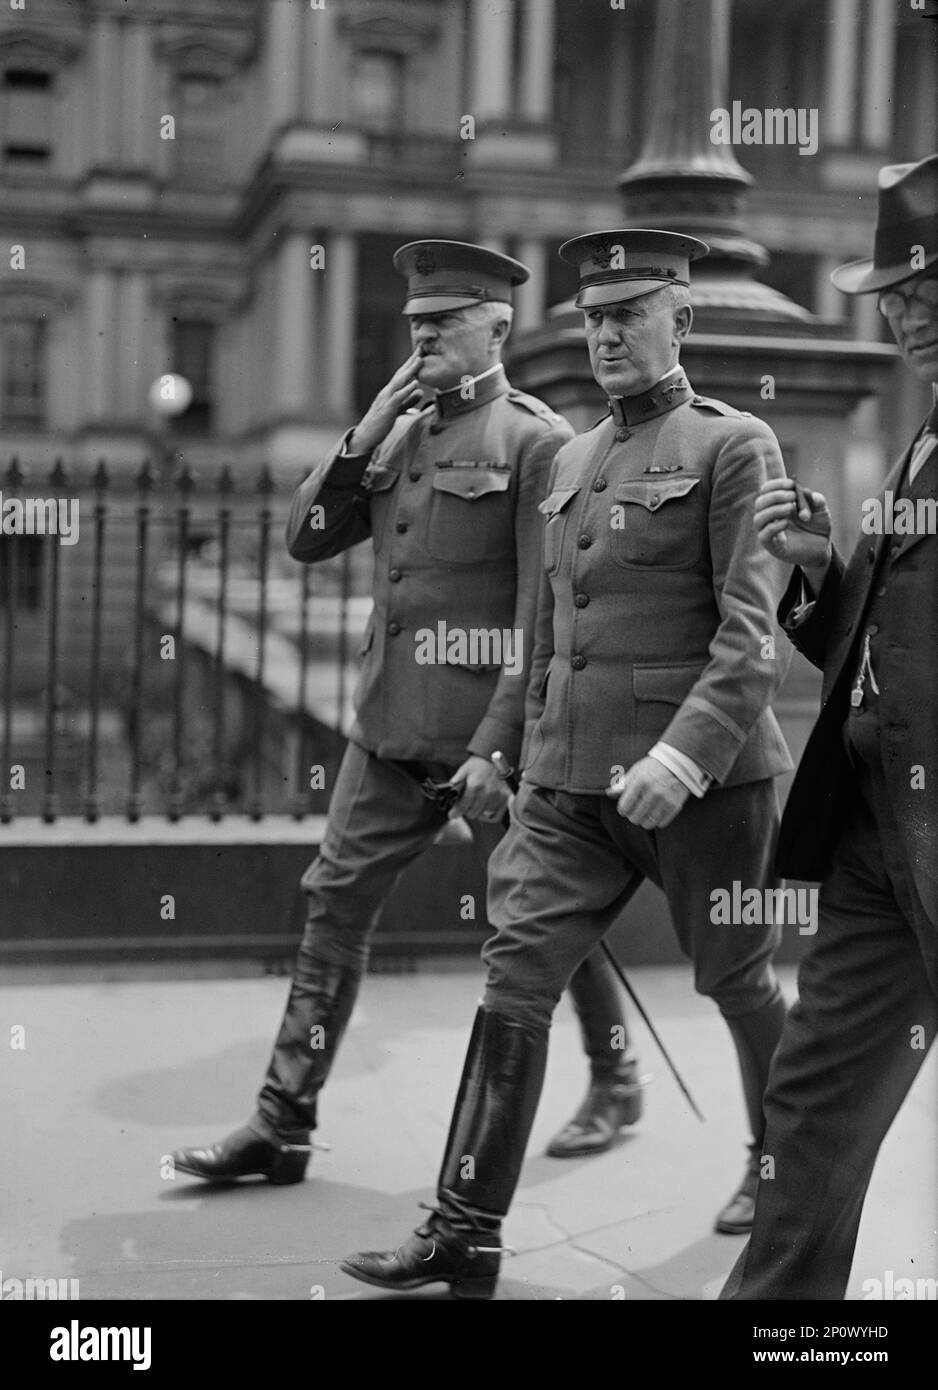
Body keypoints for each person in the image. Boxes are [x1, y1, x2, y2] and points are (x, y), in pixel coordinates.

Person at [341, 227, 796, 1299]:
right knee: (512, 978)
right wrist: (498, 749)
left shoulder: (735, 446)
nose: (600, 334)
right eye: (589, 316)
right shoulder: (570, 457)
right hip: (564, 785)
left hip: (703, 792)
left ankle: (781, 1176)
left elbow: (750, 635)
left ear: (678, 321)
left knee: (736, 980)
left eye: (624, 314)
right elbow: (540, 635)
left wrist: (682, 761)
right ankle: (462, 1233)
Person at [170, 240, 645, 1190]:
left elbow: (539, 614)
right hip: (387, 729)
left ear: (497, 326)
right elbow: (308, 541)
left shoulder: (537, 440)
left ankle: (616, 1077)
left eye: (442, 321)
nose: (422, 334)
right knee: (332, 902)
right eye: (416, 322)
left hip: (487, 746)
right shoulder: (399, 430)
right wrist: (362, 430)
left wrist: (496, 747)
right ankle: (282, 1118)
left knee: (551, 923)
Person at [721, 155, 938, 1301]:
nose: (908, 314)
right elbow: (893, 639)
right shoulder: (921, 439)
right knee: (809, 1108)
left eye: (929, 286)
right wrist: (818, 579)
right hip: (876, 842)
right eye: (895, 295)